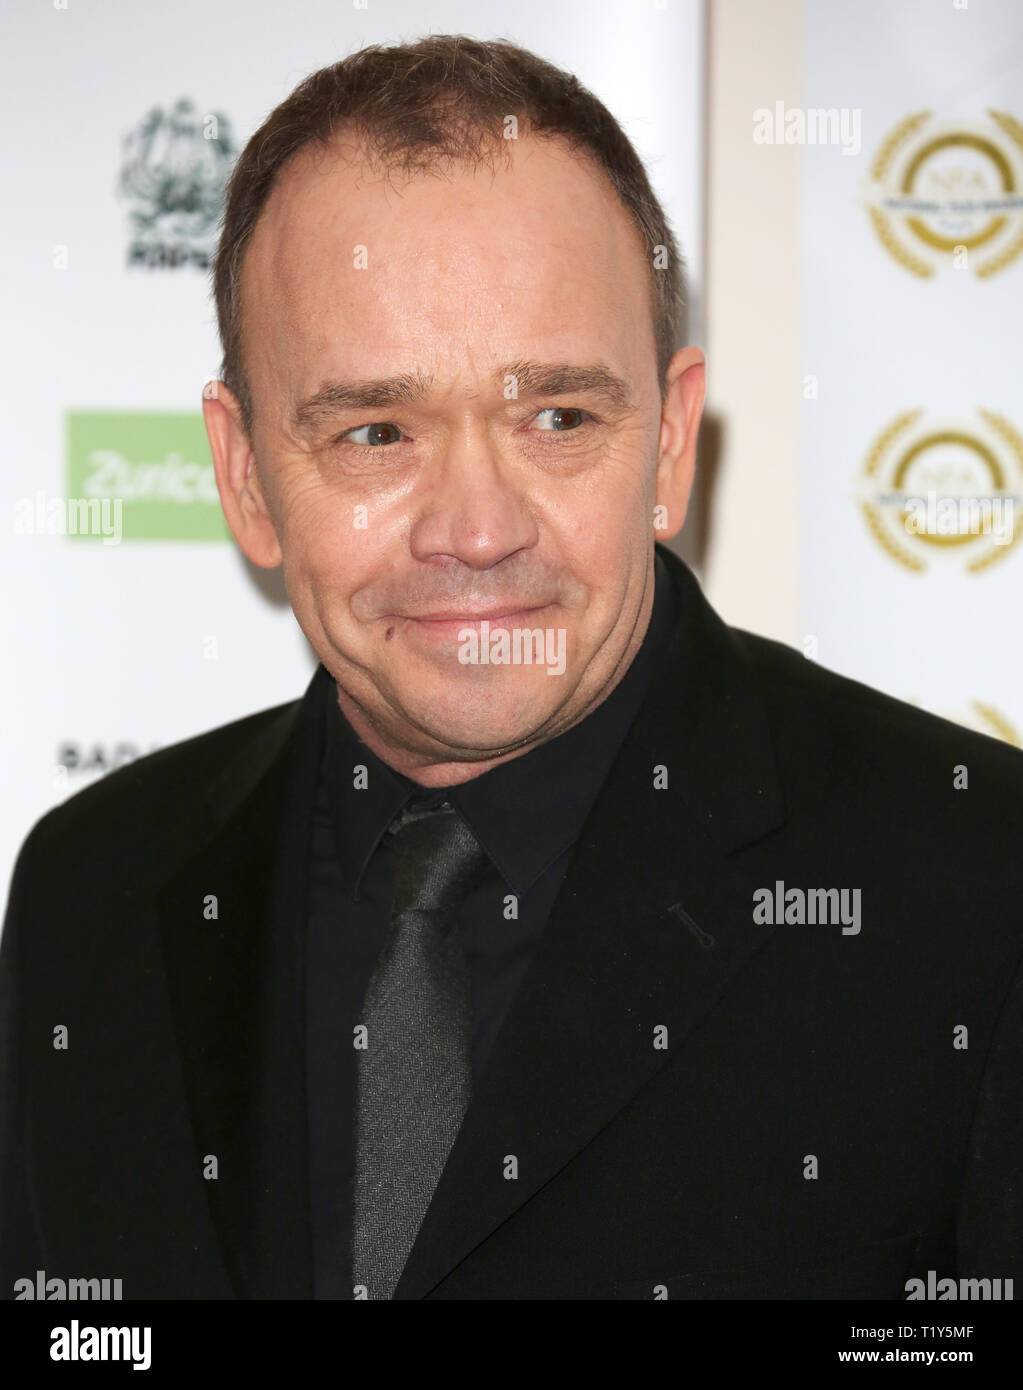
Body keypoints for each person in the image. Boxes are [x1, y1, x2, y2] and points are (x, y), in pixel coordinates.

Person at [2, 34, 1022, 1302]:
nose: (477, 529)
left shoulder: (978, 883)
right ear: (247, 475)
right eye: (377, 430)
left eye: (557, 417)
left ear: (668, 445)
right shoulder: (92, 892)